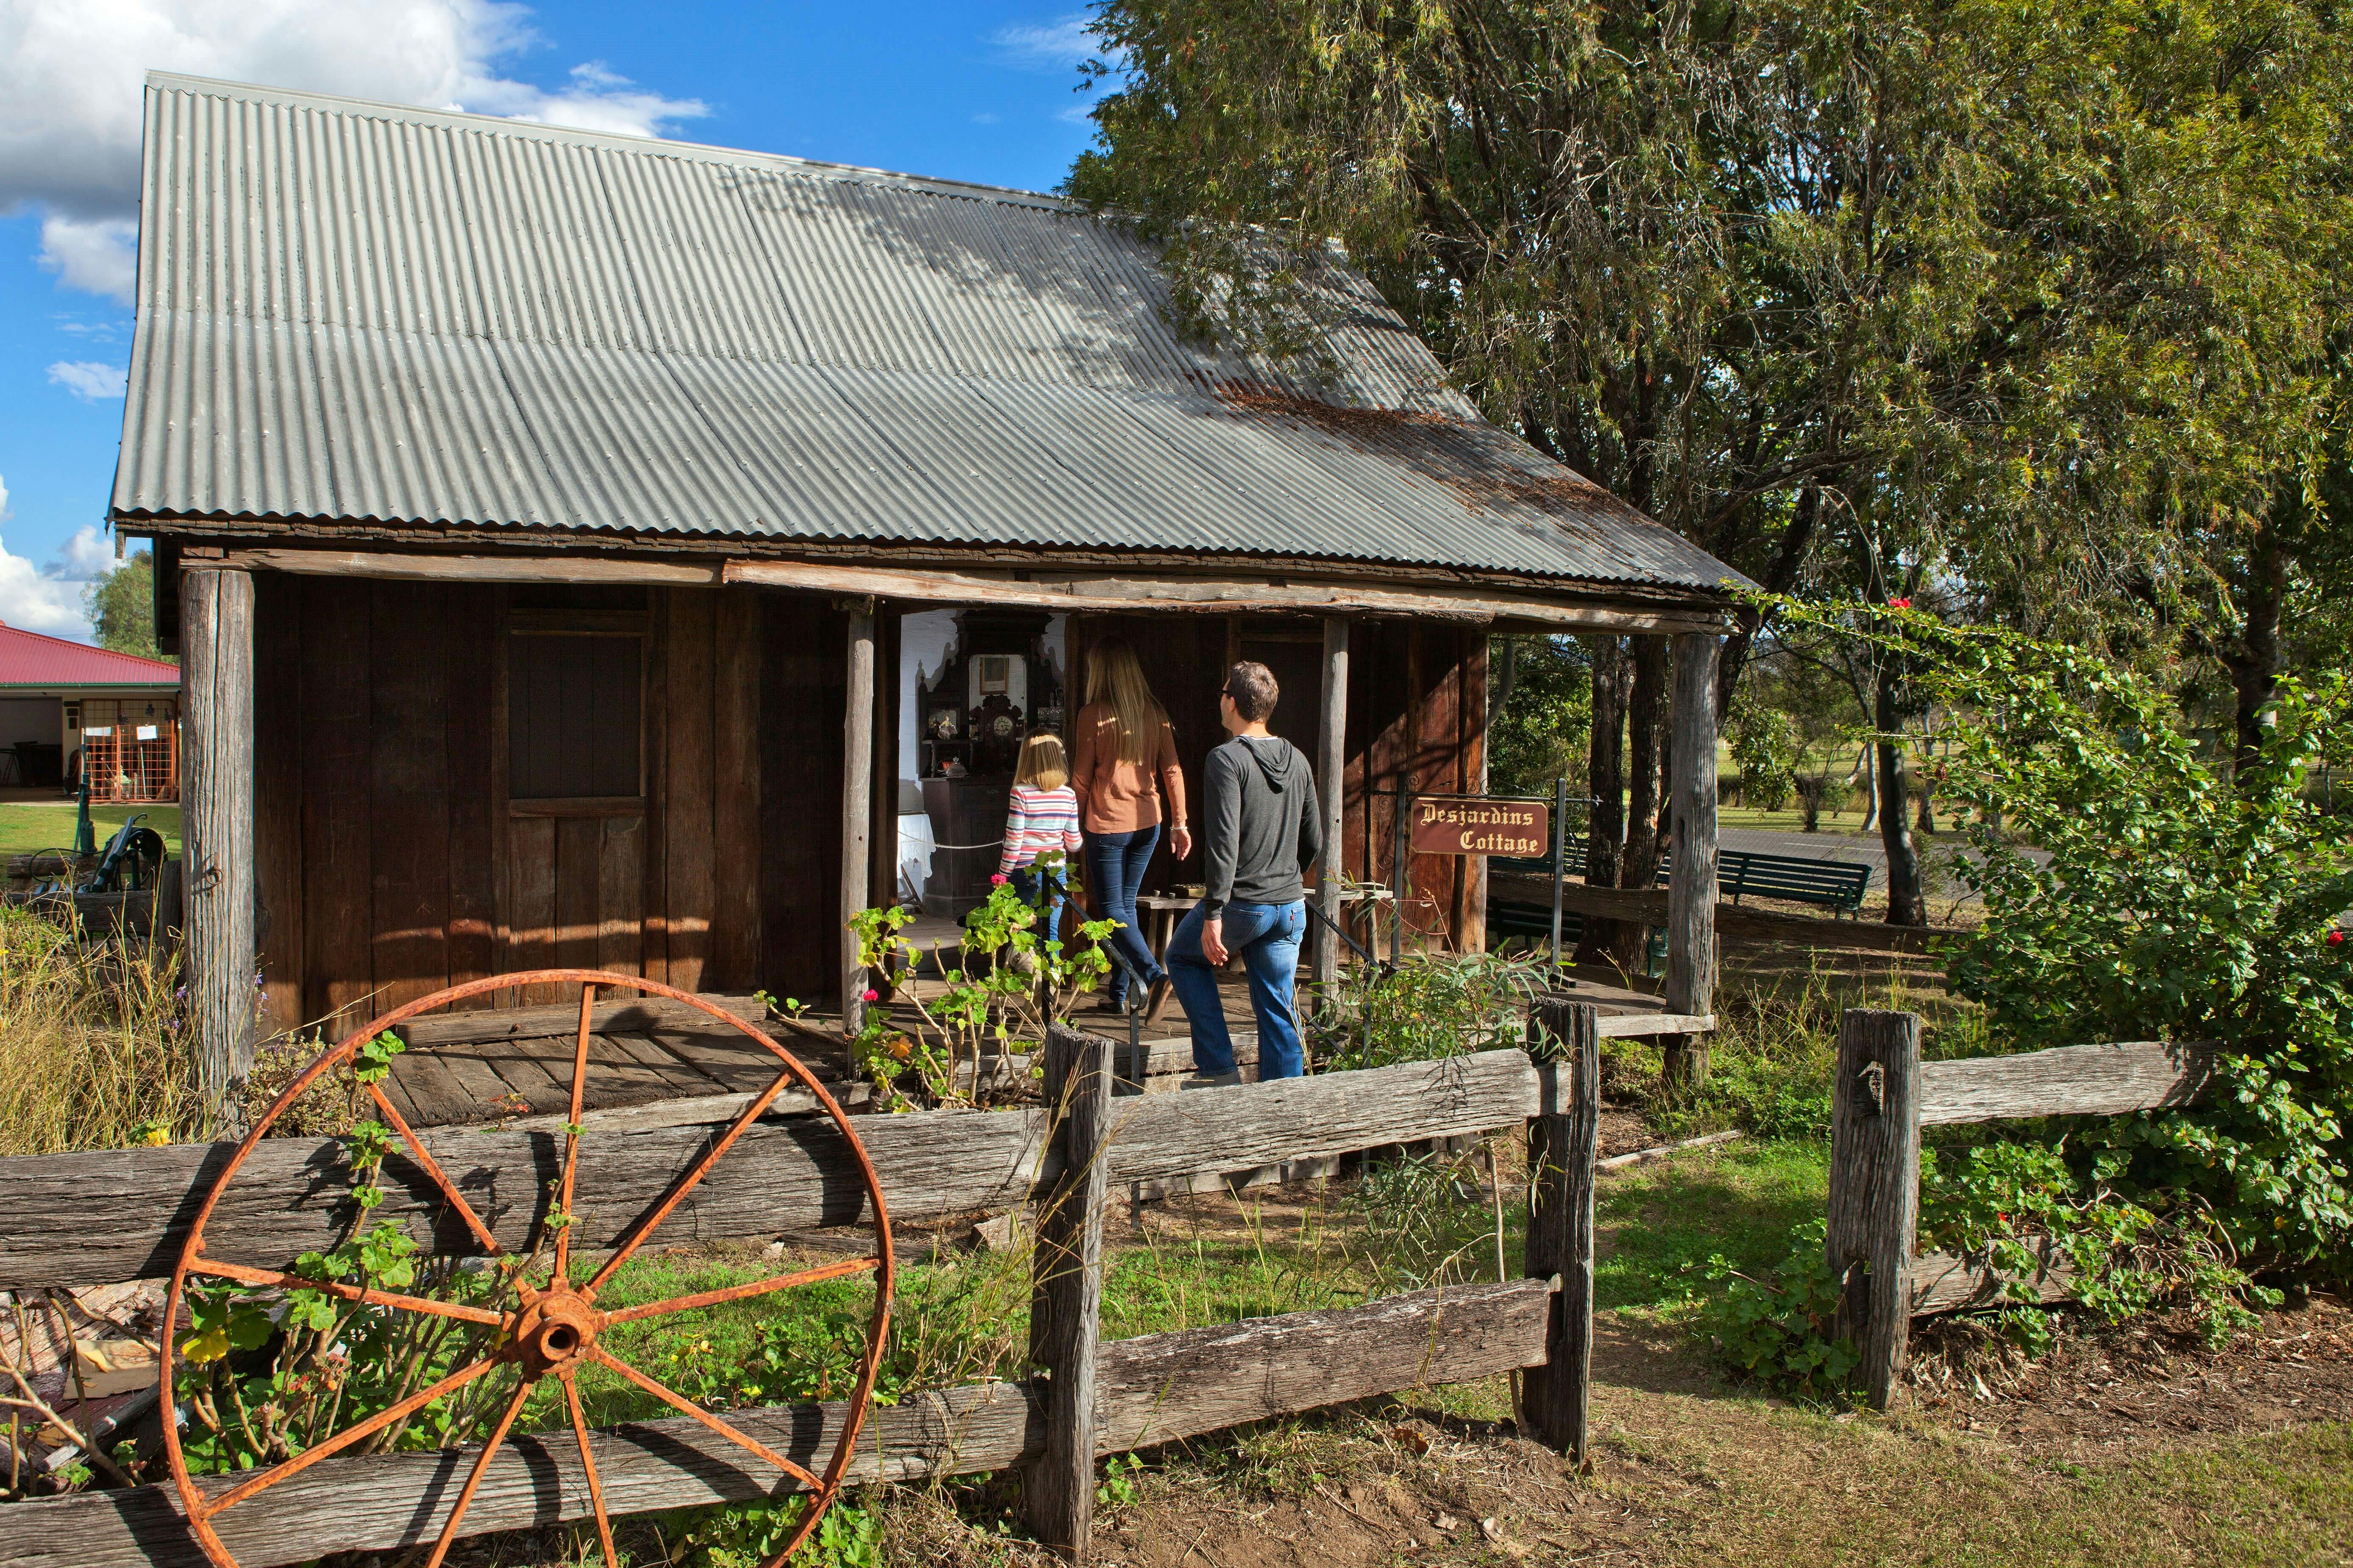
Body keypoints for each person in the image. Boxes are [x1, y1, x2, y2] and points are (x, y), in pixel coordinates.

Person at [1164, 661, 1322, 1083]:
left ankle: (1218, 1069)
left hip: (1243, 905)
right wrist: (1289, 876)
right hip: (1290, 906)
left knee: (1181, 957)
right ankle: (1283, 1110)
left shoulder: (1226, 760)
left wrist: (1213, 913)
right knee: (1277, 1008)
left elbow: (1223, 843)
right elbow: (1315, 840)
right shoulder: (1299, 760)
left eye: (1221, 693)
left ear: (1231, 701)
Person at [1071, 637, 1191, 1010]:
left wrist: (1070, 828)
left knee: (1111, 910)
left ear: (1102, 673)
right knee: (1123, 906)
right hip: (1148, 824)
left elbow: (1080, 779)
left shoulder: (1093, 714)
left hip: (1108, 824)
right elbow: (1172, 771)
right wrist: (1179, 823)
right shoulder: (1154, 712)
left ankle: (1154, 978)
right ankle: (1121, 995)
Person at [998, 732, 1083, 948]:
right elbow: (1074, 844)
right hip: (1056, 873)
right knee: (1051, 934)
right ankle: (1051, 979)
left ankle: (1027, 980)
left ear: (1026, 759)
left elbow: (1014, 841)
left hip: (1025, 873)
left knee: (1021, 933)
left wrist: (1003, 874)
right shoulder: (1068, 795)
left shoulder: (1020, 793)